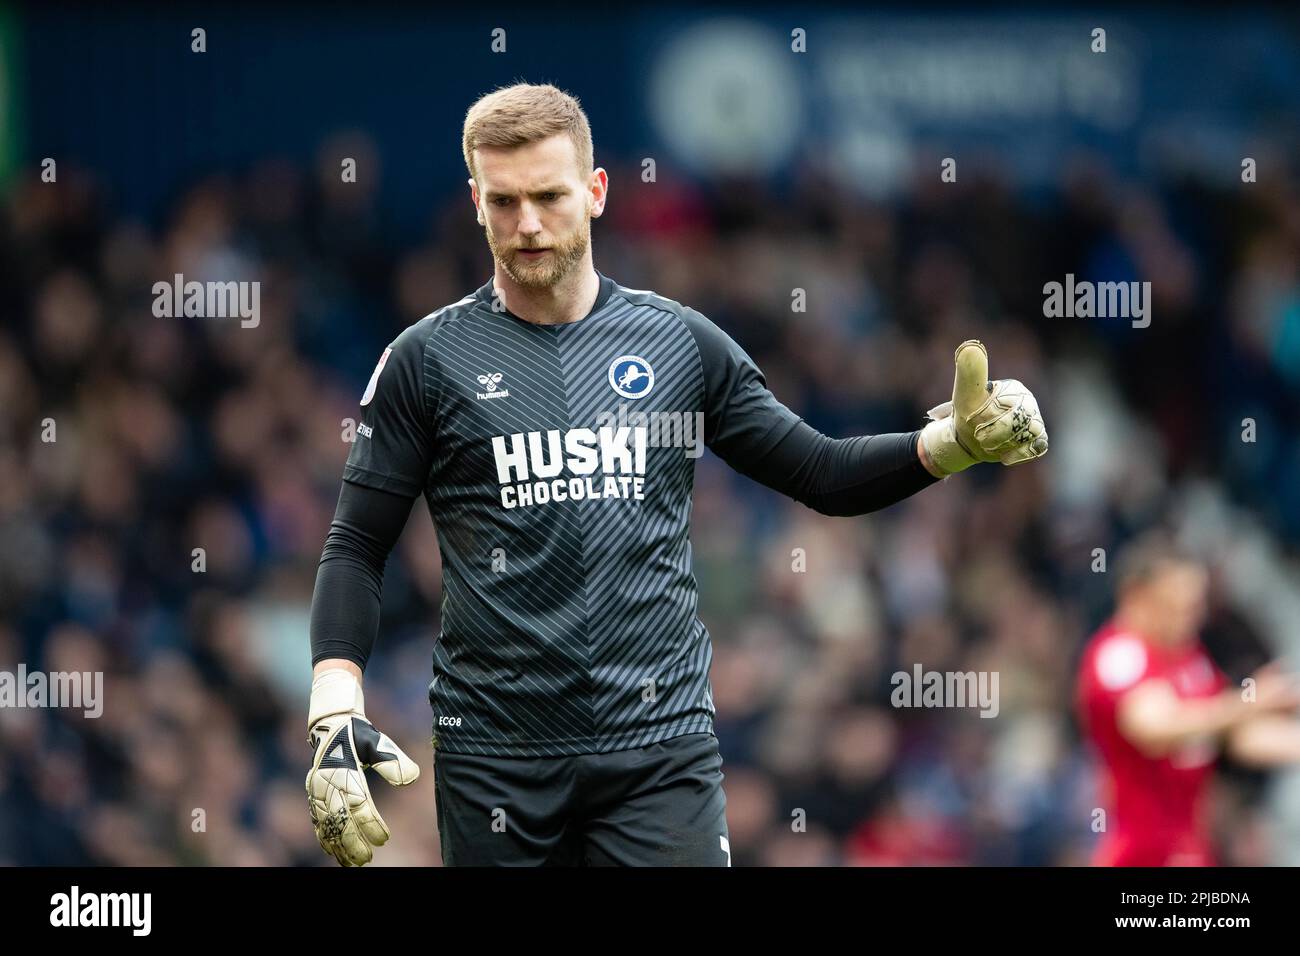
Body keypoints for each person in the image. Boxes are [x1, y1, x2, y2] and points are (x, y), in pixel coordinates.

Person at [304, 82, 1049, 866]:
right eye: (503, 201)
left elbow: (820, 472)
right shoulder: (426, 362)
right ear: (475, 202)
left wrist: (953, 447)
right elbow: (356, 544)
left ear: (595, 192)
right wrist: (331, 709)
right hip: (496, 758)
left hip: (659, 752)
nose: (526, 224)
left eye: (550, 196)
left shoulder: (679, 343)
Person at [1076, 532, 1300, 866]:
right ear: (1137, 597)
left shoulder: (1188, 658)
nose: (1191, 619)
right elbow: (1156, 729)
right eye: (1177, 607)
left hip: (1190, 848)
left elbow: (1231, 733)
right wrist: (1248, 704)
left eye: (1195, 607)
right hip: (1139, 852)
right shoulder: (1119, 654)